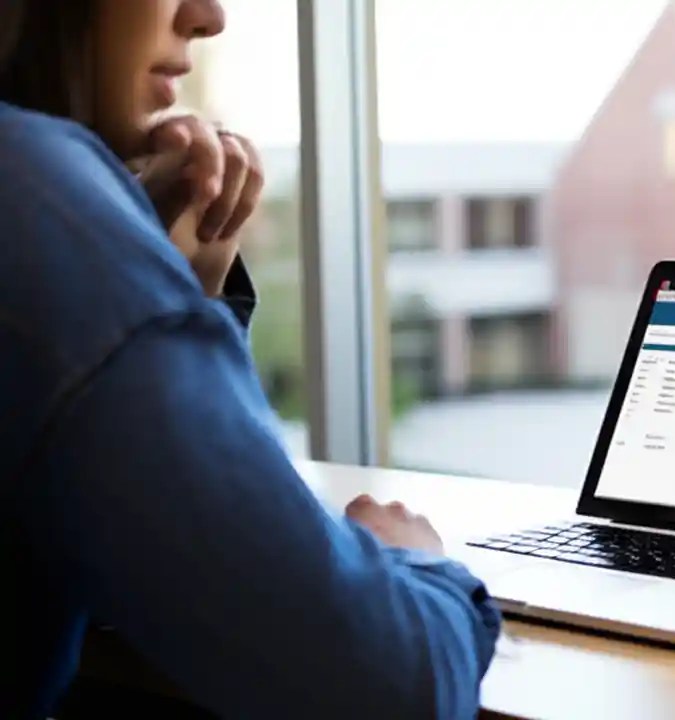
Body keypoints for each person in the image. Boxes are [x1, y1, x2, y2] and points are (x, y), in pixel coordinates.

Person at [0, 1, 501, 718]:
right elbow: (392, 689)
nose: (209, 16)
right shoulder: (33, 198)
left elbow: (155, 564)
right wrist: (418, 565)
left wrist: (154, 266)